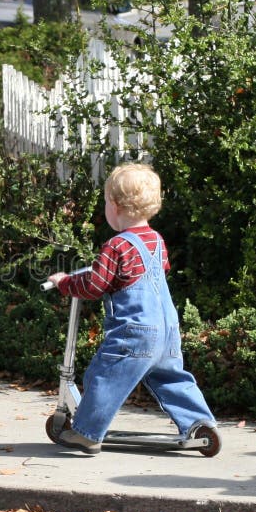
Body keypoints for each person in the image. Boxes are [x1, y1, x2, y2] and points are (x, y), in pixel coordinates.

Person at [46, 162, 217, 455]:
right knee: (171, 377)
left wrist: (64, 283)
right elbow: (150, 272)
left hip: (134, 332)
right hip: (167, 331)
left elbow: (95, 285)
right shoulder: (157, 241)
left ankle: (87, 432)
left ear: (114, 206)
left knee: (104, 376)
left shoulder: (116, 246)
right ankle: (200, 424)